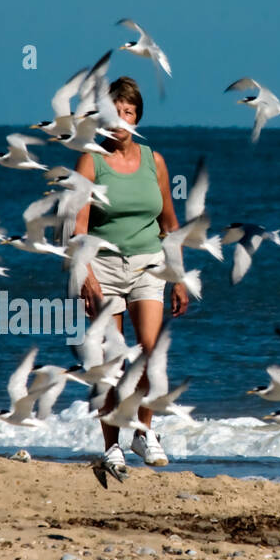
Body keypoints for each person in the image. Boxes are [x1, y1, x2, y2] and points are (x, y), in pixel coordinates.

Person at [74, 76, 188, 471]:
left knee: (150, 355)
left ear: (137, 117)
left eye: (129, 113)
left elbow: (170, 223)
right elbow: (79, 228)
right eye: (114, 112)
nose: (121, 120)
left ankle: (143, 431)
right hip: (102, 266)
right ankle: (112, 445)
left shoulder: (154, 160)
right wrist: (85, 275)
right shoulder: (91, 161)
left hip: (149, 265)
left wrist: (179, 276)